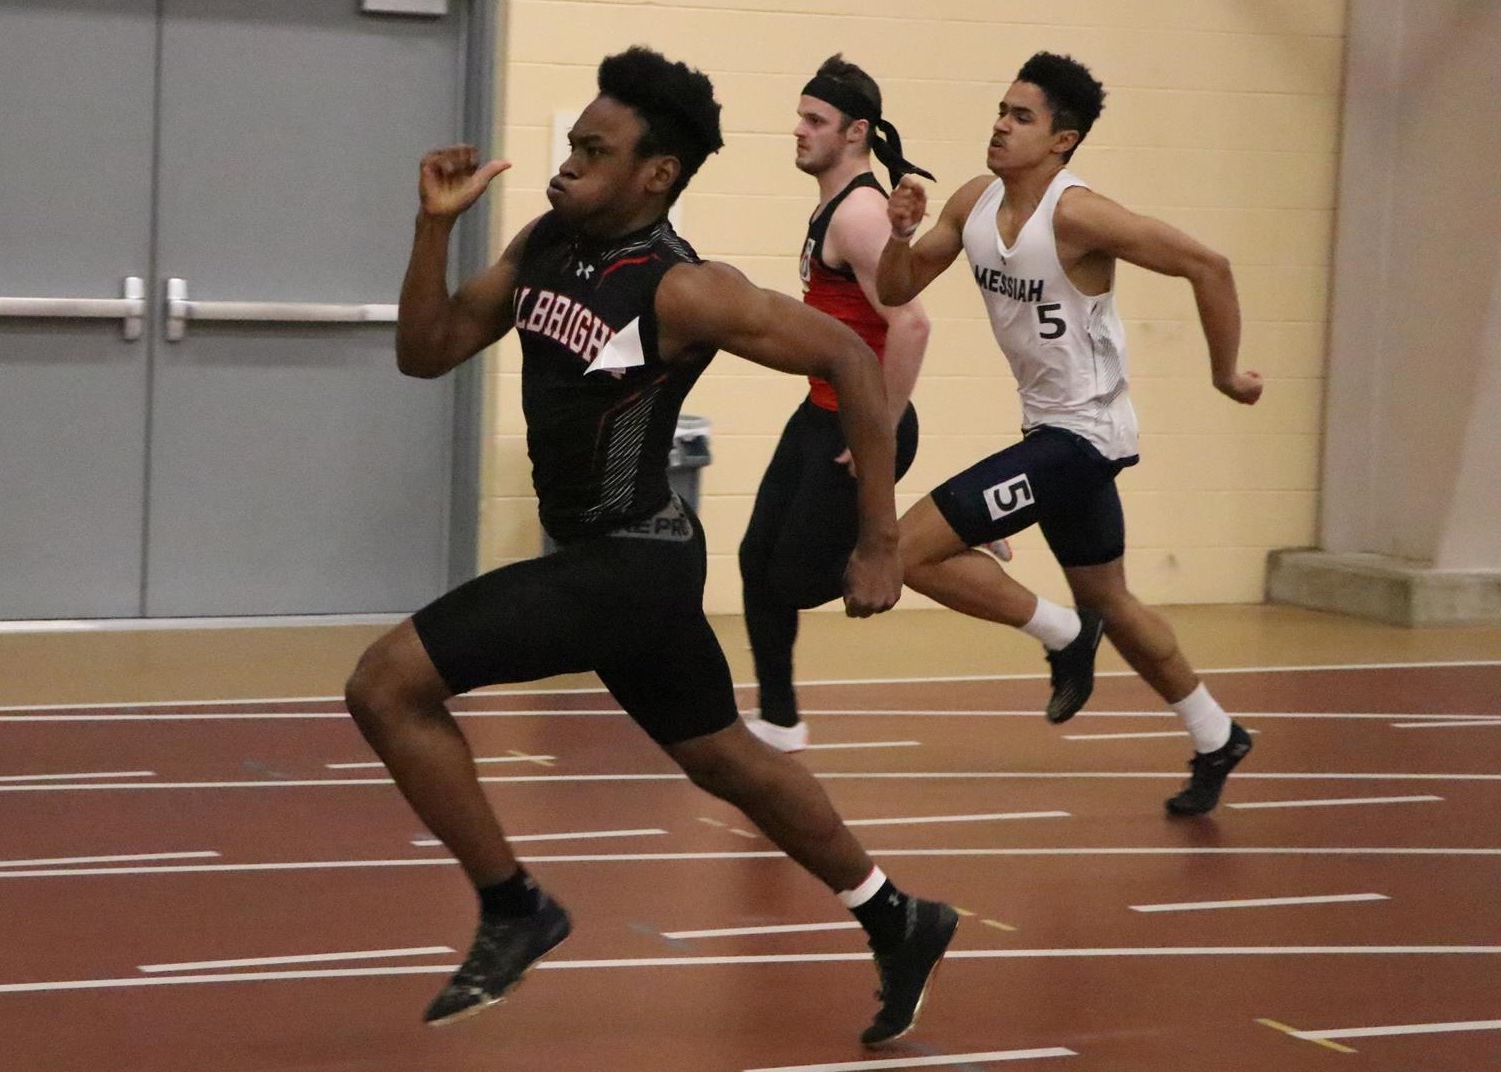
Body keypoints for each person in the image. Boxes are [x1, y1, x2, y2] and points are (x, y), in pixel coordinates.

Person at [345, 46, 956, 1047]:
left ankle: (514, 907)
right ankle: (898, 915)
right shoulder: (545, 242)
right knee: (731, 762)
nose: (568, 163)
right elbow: (427, 351)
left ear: (655, 173)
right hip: (628, 562)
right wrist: (431, 229)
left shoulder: (681, 288)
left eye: (595, 149)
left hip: (629, 559)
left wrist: (878, 538)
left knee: (384, 685)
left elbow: (850, 352)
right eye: (573, 143)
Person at [875, 52, 1264, 815]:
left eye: (1022, 116)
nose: (999, 124)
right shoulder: (974, 202)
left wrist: (1226, 373)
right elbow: (896, 287)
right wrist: (899, 232)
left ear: (1063, 139)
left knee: (903, 548)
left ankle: (1060, 635)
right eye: (1001, 108)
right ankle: (1217, 734)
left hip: (1085, 436)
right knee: (1112, 600)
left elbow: (1207, 265)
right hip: (1048, 429)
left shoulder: (1078, 215)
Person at [739, 55, 936, 754]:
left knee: (792, 579)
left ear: (855, 132)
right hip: (820, 412)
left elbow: (911, 322)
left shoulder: (858, 215)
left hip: (859, 423)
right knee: (755, 562)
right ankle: (781, 720)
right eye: (800, 116)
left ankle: (932, 537)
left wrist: (876, 425)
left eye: (813, 121)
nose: (798, 130)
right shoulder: (835, 204)